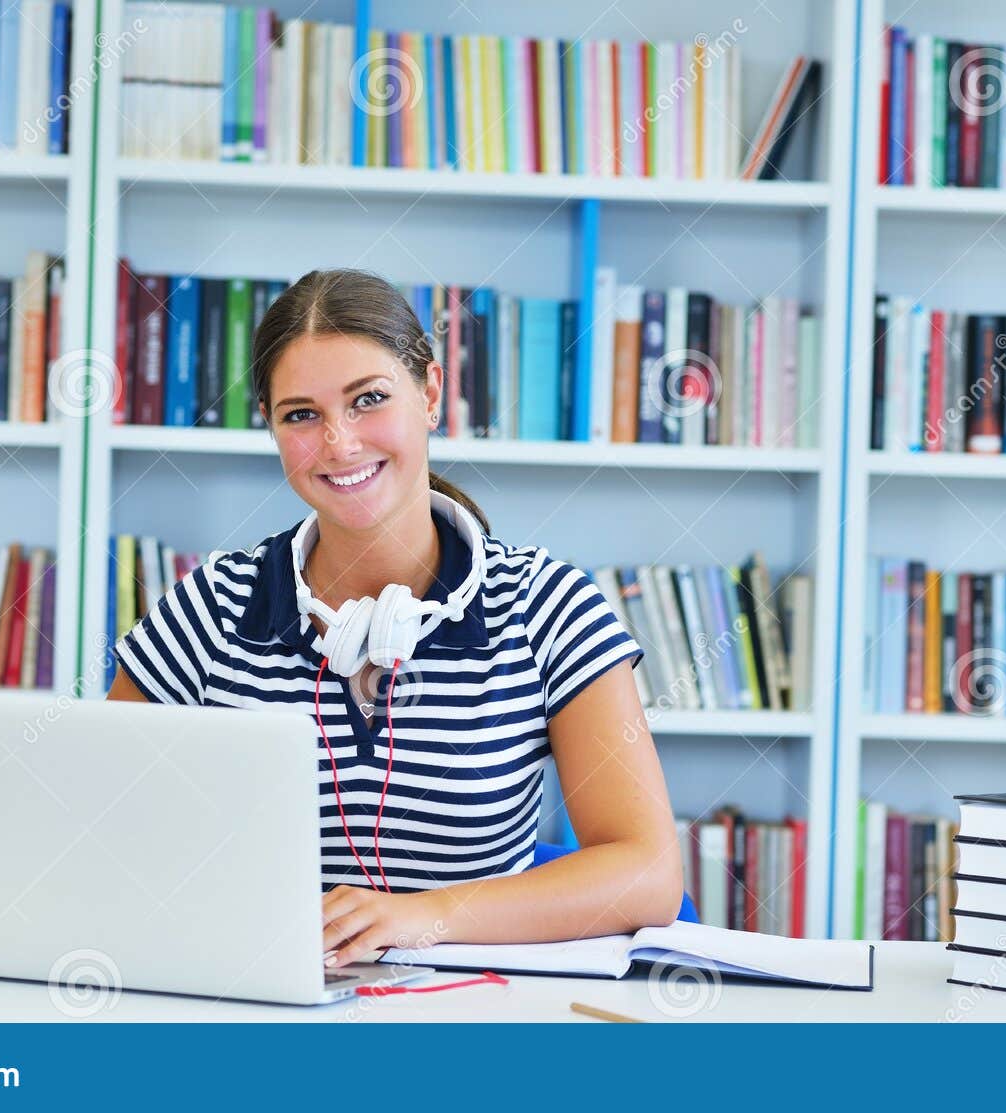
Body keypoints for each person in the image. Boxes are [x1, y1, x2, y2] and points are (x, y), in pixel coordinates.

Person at [107, 268, 682, 967]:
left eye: (368, 400)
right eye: (301, 415)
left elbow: (648, 870)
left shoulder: (548, 606)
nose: (340, 443)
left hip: (472, 1016)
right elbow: (100, 830)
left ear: (431, 392)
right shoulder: (211, 609)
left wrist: (426, 915)